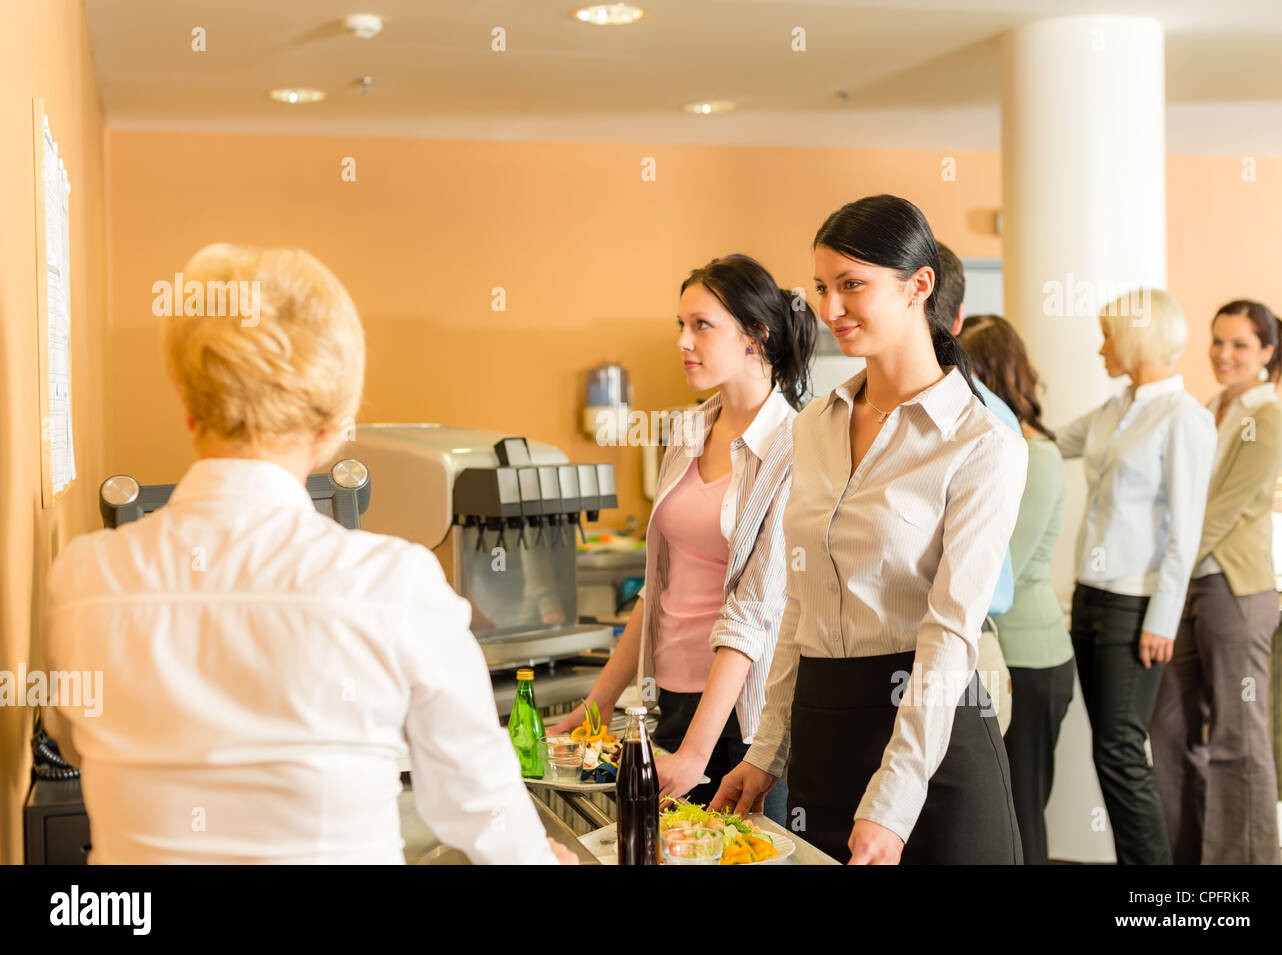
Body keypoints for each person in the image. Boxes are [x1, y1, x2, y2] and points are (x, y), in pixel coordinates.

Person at [44, 244, 573, 864]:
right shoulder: (394, 585)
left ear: (187, 402)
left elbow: (75, 744)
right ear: (333, 425)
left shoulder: (82, 578)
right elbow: (480, 805)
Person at [711, 195, 1027, 864]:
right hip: (823, 739)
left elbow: (948, 637)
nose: (830, 309)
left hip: (931, 751)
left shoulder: (981, 445)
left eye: (852, 285)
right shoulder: (813, 426)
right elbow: (799, 603)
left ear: (919, 286)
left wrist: (894, 799)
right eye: (822, 288)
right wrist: (767, 751)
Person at [552, 253, 817, 826]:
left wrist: (698, 751)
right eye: (680, 325)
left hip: (740, 716)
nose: (683, 341)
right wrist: (597, 705)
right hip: (667, 696)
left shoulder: (795, 446)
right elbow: (657, 587)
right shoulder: (688, 430)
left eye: (701, 325)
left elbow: (755, 608)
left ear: (755, 337)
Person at [1054, 289, 1215, 865]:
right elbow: (1045, 442)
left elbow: (1185, 533)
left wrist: (1163, 619)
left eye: (1107, 336)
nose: (1101, 349)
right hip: (1090, 597)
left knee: (1122, 751)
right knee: (1108, 752)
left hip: (1135, 607)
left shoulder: (1185, 419)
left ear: (1135, 339)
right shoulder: (1114, 410)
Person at [1151, 299, 1282, 865]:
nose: (1224, 354)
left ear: (1266, 353)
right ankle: (1188, 868)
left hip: (1234, 590)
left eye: (1239, 345)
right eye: (1218, 341)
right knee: (1169, 727)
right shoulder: (1209, 407)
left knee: (1238, 736)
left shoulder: (1268, 416)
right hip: (1190, 587)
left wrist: (1168, 573)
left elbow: (1220, 511)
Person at [959, 313, 1076, 865]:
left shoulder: (1039, 456)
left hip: (1031, 658)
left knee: (1022, 815)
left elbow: (998, 566)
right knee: (999, 813)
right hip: (1005, 654)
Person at [934, 243, 1021, 734]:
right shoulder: (999, 415)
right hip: (961, 647)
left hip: (965, 650)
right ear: (961, 318)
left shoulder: (982, 419)